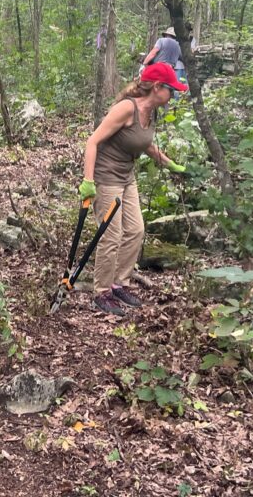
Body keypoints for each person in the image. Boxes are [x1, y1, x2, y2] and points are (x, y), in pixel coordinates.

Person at [79, 62, 188, 316]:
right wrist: (88, 181)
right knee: (111, 235)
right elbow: (92, 141)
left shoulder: (151, 113)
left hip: (127, 177)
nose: (173, 95)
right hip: (106, 177)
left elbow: (144, 143)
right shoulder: (126, 108)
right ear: (157, 87)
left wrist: (170, 164)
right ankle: (101, 291)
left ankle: (119, 284)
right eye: (171, 90)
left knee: (136, 230)